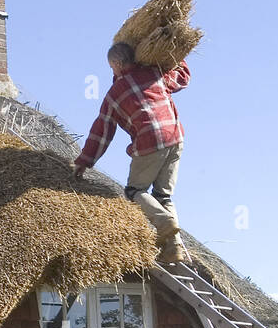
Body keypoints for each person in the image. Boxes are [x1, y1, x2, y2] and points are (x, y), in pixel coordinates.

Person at [73, 41, 191, 265]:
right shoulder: (155, 73)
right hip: (176, 137)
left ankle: (164, 222)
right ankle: (174, 249)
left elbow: (102, 131)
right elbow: (182, 77)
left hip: (149, 141)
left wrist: (84, 161)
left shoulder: (115, 94)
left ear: (117, 63)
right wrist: (175, 51)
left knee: (134, 191)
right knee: (163, 195)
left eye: (111, 68)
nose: (112, 72)